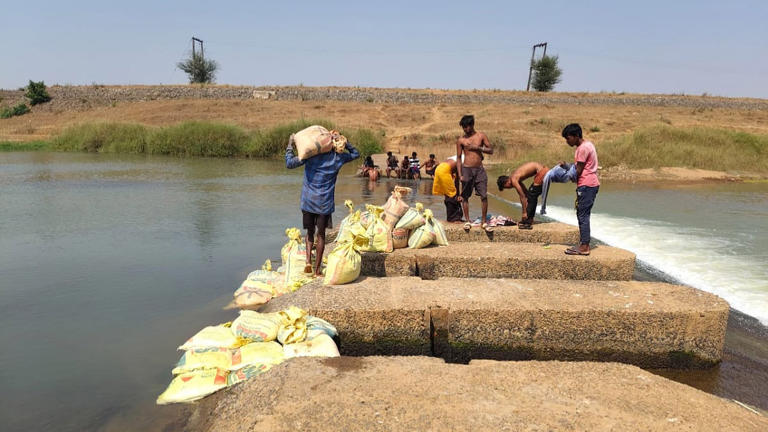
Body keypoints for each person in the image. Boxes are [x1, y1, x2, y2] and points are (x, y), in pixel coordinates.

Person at [286, 133, 359, 276]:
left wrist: (290, 144)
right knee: (321, 235)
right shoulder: (338, 158)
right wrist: (345, 140)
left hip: (308, 201)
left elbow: (289, 163)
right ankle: (317, 270)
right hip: (324, 204)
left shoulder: (310, 156)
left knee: (309, 233)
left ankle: (308, 261)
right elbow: (356, 154)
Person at [561, 123, 599, 256]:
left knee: (582, 215)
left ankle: (584, 246)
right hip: (591, 183)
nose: (567, 141)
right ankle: (584, 243)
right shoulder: (589, 145)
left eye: (568, 138)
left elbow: (578, 170)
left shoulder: (582, 149)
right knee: (583, 213)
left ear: (576, 136)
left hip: (586, 184)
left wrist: (566, 176)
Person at [456, 114, 493, 232]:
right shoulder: (461, 140)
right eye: (464, 127)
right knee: (465, 196)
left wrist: (478, 148)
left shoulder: (481, 136)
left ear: (472, 125)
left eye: (467, 126)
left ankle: (483, 222)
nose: (466, 129)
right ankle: (467, 221)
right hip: (466, 169)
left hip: (479, 170)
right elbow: (458, 158)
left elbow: (490, 150)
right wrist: (460, 174)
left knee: (484, 195)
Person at [496, 162, 549, 229]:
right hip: (543, 171)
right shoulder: (516, 178)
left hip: (542, 172)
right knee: (531, 195)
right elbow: (526, 194)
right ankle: (529, 219)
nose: (509, 188)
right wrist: (527, 205)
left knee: (532, 195)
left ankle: (528, 222)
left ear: (506, 182)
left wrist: (524, 212)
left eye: (506, 187)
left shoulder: (513, 180)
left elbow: (522, 197)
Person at [432, 156, 464, 222]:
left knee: (448, 194)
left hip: (439, 169)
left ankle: (451, 217)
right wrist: (458, 194)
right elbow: (457, 180)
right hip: (444, 170)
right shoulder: (463, 161)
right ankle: (453, 218)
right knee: (452, 194)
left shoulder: (457, 156)